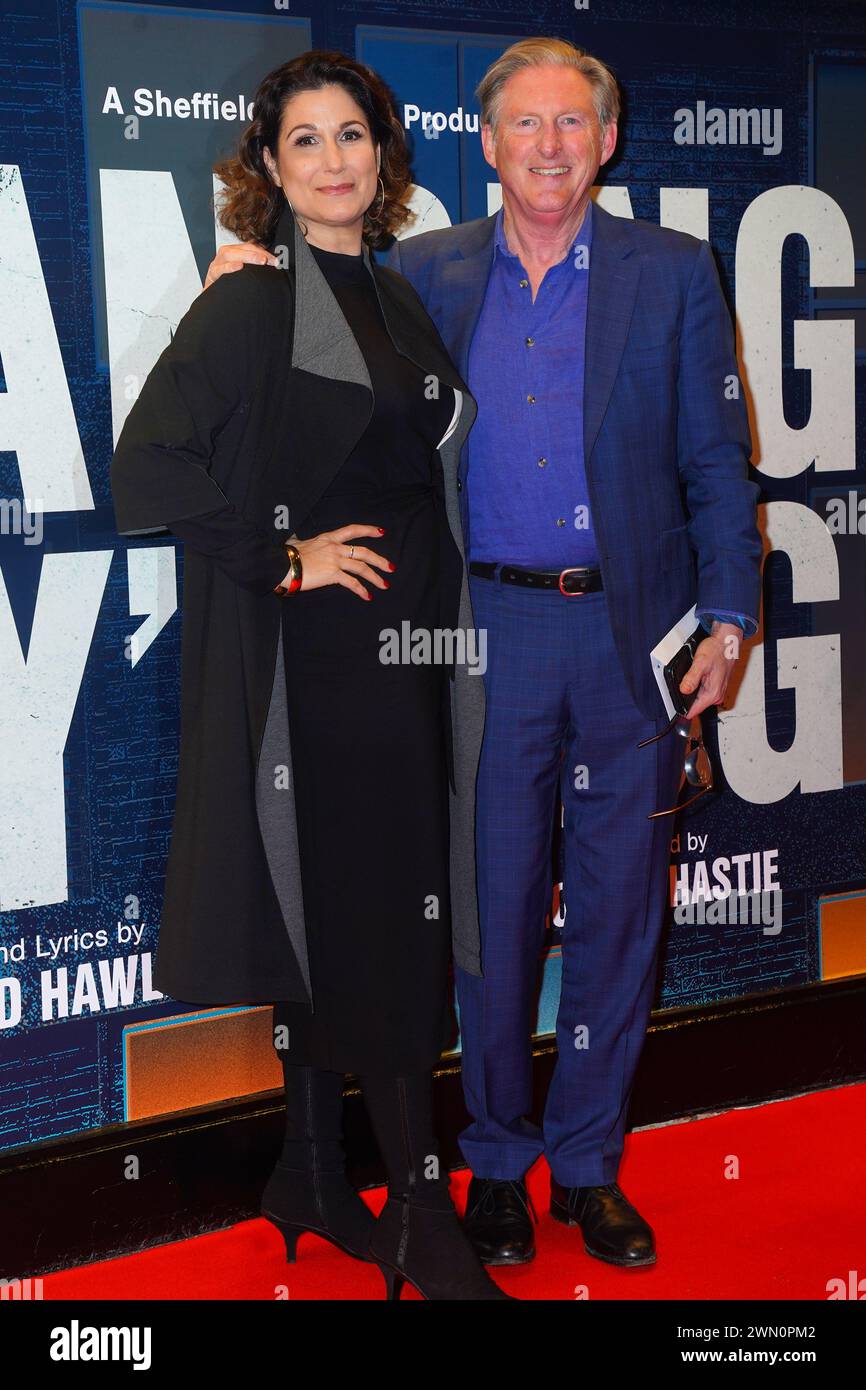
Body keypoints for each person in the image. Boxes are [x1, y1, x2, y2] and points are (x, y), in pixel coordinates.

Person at [204, 38, 763, 1271]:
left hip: (635, 639)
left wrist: (728, 621)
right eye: (524, 125)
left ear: (606, 140)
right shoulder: (424, 271)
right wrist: (244, 272)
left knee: (618, 916)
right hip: (477, 639)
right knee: (488, 917)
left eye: (572, 123)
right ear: (489, 143)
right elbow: (319, 312)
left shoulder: (672, 275)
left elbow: (717, 463)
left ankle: (591, 1171)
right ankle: (496, 1164)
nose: (549, 146)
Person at [110, 50, 513, 1301]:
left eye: (353, 136)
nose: (335, 160)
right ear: (267, 168)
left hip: (416, 657)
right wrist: (281, 558)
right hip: (329, 675)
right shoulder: (249, 301)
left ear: (383, 159)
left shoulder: (394, 299)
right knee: (387, 929)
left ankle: (313, 1174)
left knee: (343, 919)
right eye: (305, 140)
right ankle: (416, 1223)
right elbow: (148, 466)